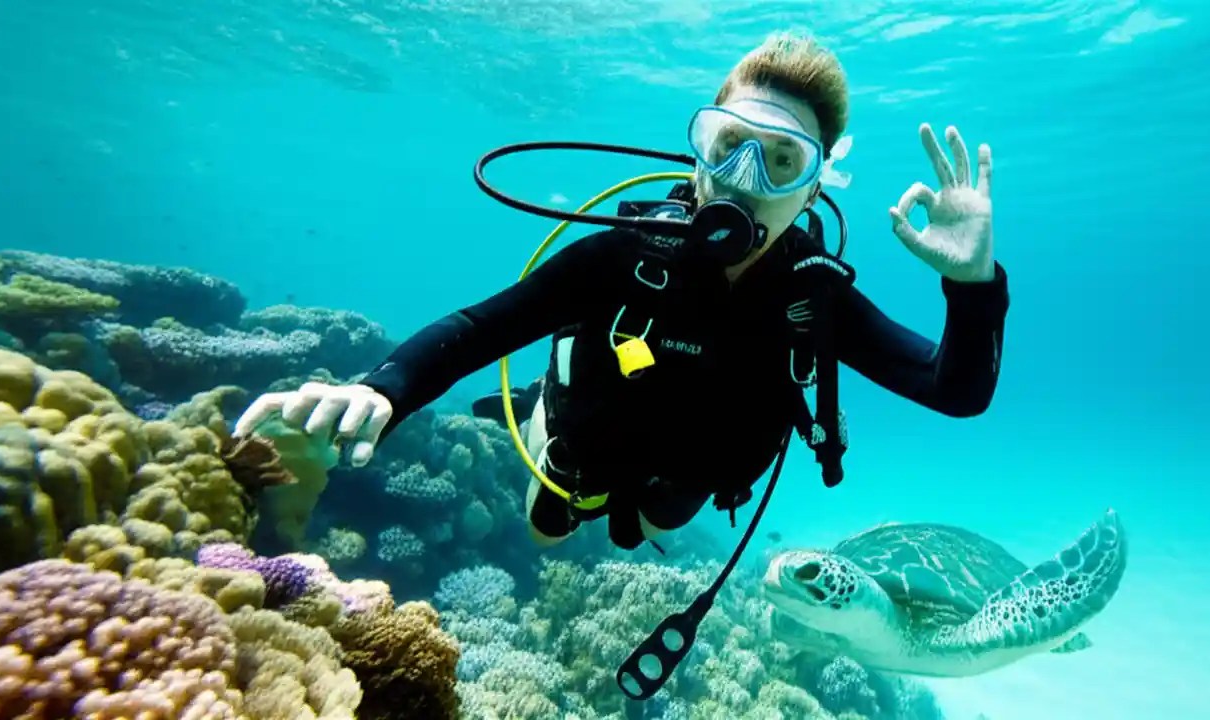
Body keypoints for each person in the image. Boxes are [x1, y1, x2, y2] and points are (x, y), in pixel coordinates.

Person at [233, 31, 1008, 554]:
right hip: (581, 451)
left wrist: (971, 284)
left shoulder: (815, 299)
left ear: (812, 191)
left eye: (782, 162)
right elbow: (478, 328)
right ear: (697, 153)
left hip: (690, 481)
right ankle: (541, 406)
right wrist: (384, 390)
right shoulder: (623, 260)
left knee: (658, 520)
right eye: (731, 146)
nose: (746, 179)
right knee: (552, 523)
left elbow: (954, 390)